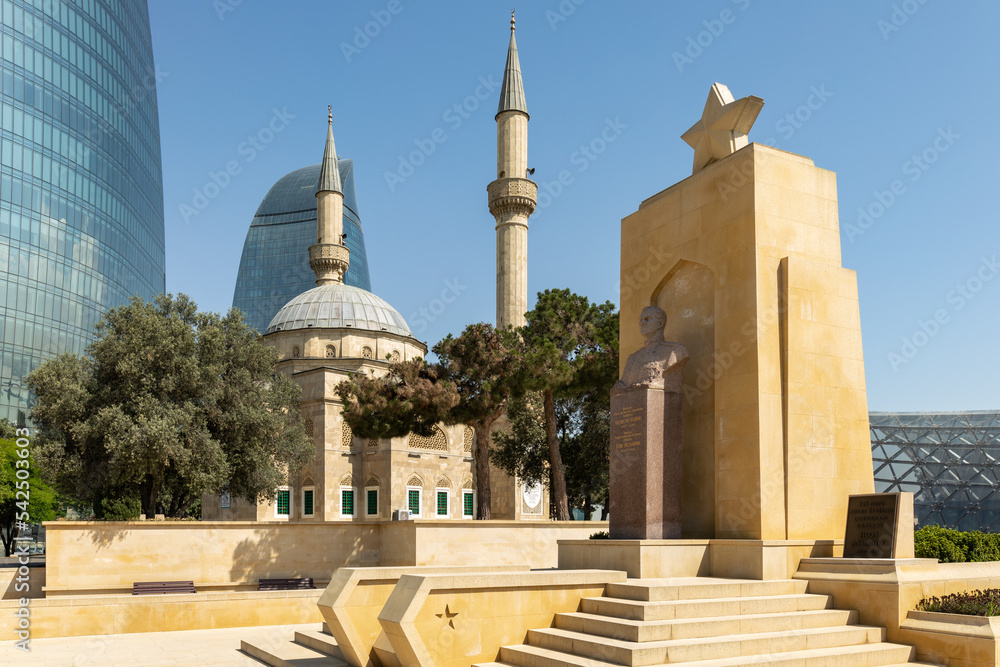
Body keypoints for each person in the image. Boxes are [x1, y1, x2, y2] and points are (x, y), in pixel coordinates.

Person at [613, 305, 689, 394]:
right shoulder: (632, 358)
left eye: (647, 319)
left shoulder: (676, 351)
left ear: (660, 324)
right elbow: (622, 384)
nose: (642, 323)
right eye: (640, 320)